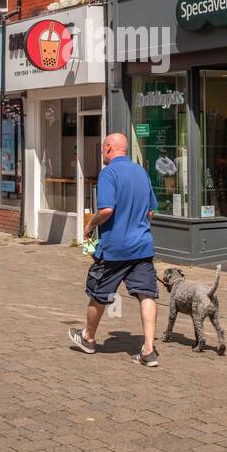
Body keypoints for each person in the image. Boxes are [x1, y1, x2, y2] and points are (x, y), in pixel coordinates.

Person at [69, 133, 161, 367]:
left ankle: (88, 338)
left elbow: (107, 209)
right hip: (142, 246)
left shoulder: (108, 173)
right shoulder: (141, 171)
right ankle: (149, 350)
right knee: (146, 294)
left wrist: (90, 225)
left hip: (115, 249)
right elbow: (151, 212)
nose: (102, 152)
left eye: (102, 148)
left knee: (98, 293)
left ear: (109, 148)